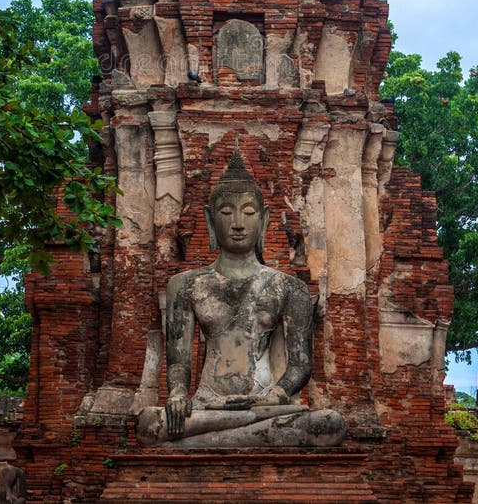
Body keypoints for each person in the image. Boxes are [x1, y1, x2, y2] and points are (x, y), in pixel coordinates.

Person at [136, 149, 346, 448]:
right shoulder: (185, 285)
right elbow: (178, 363)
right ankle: (234, 434)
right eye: (226, 213)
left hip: (264, 405)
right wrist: (178, 395)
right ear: (210, 220)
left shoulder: (289, 288)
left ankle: (211, 440)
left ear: (264, 220)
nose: (237, 223)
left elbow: (301, 366)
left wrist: (273, 396)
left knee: (328, 424)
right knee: (148, 423)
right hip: (207, 405)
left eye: (248, 213)